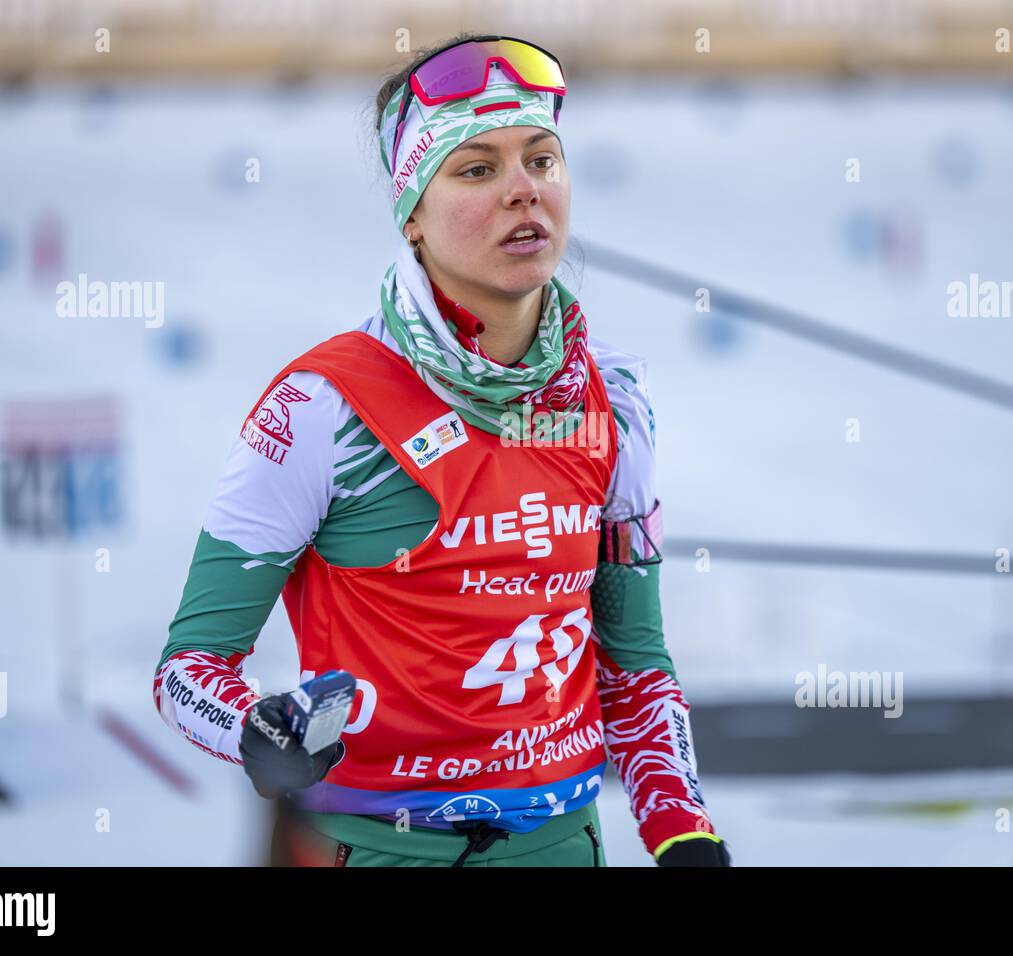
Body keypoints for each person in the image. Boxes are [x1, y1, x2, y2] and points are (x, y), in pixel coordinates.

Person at [152, 33, 730, 867]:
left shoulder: (613, 405)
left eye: (541, 159)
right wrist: (256, 728)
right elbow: (188, 669)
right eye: (476, 169)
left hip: (563, 846)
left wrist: (683, 831)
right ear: (412, 213)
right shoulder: (320, 408)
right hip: (379, 848)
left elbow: (634, 669)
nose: (523, 191)